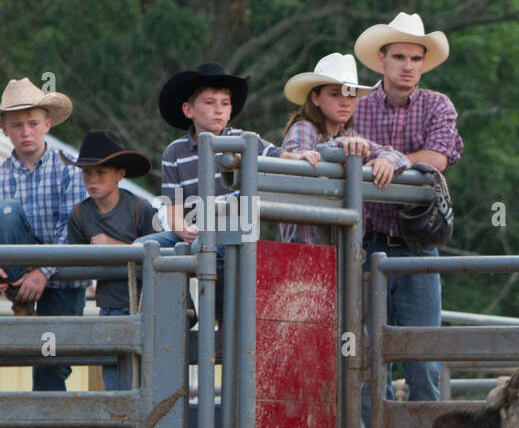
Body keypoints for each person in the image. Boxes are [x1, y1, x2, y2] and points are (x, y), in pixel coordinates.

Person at [352, 12, 464, 428]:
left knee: (421, 362)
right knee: (365, 360)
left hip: (416, 246)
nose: (408, 66)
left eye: (415, 58)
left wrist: (383, 161)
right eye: (399, 56)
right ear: (382, 59)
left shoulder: (438, 104)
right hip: (364, 244)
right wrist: (398, 164)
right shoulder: (355, 105)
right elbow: (340, 147)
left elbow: (438, 158)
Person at [154, 62, 309, 245]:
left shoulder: (244, 141)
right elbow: (174, 210)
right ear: (189, 110)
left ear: (229, 111)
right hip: (192, 230)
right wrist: (184, 230)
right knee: (142, 248)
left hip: (233, 227)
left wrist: (298, 157)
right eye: (210, 102)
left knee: (205, 245)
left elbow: (276, 154)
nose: (218, 109)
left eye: (225, 103)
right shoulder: (174, 153)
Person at [0, 78, 88, 393]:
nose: (26, 131)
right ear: (4, 129)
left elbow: (73, 227)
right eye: (17, 124)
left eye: (33, 123)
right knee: (6, 211)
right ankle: (16, 291)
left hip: (62, 277)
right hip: (18, 272)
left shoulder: (70, 171)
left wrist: (43, 272)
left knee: (51, 361)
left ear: (47, 124)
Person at [279, 52, 408, 244]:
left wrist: (386, 160)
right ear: (315, 98)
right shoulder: (303, 128)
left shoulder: (350, 137)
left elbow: (399, 157)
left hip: (342, 252)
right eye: (334, 94)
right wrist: (340, 147)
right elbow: (299, 160)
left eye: (350, 93)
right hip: (306, 248)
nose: (344, 101)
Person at [63, 131, 156, 390]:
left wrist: (114, 248)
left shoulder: (141, 209)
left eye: (100, 172)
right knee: (115, 387)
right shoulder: (80, 215)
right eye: (86, 173)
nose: (92, 180)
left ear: (120, 174)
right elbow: (73, 264)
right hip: (109, 309)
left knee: (146, 384)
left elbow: (161, 259)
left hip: (145, 310)